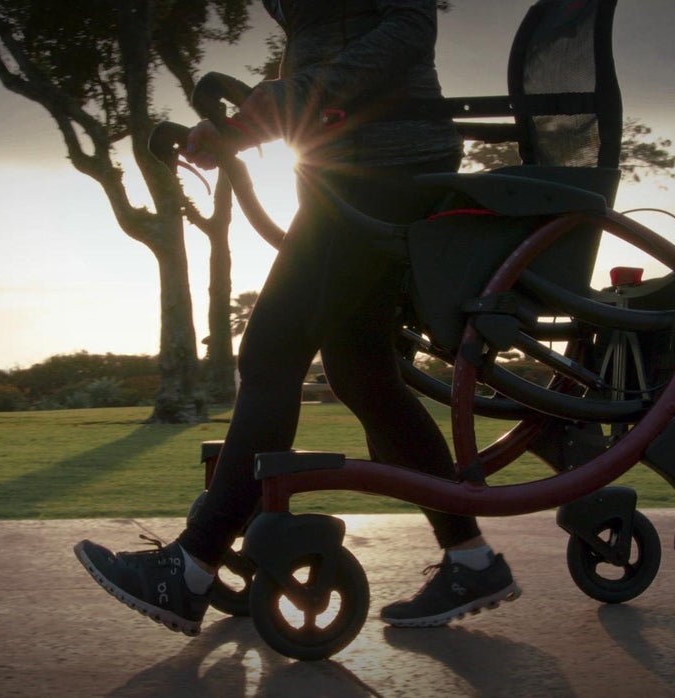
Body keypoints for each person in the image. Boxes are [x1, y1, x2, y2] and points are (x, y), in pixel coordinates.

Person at [74, 0, 519, 635]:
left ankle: (190, 569)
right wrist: (244, 129)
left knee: (270, 355)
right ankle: (471, 560)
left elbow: (405, 30)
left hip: (381, 168)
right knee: (359, 370)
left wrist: (285, 100)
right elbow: (323, 64)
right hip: (351, 167)